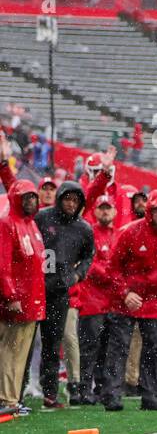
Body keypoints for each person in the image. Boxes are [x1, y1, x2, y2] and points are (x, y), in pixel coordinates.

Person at [101, 190, 157, 412]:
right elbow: (112, 268)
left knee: (155, 349)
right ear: (149, 210)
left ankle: (151, 395)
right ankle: (112, 394)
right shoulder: (130, 232)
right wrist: (125, 293)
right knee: (119, 348)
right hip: (126, 301)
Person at [33, 180, 95, 408]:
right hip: (35, 288)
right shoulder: (42, 218)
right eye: (67, 199)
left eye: (75, 200)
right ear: (59, 199)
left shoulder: (84, 228)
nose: (71, 203)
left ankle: (50, 393)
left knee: (52, 344)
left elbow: (89, 255)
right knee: (26, 343)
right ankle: (16, 393)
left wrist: (78, 274)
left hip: (59, 293)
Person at [0, 179, 45, 417]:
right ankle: (6, 398)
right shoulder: (7, 224)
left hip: (32, 301)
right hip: (18, 302)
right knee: (10, 351)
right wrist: (11, 295)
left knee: (19, 355)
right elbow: (3, 264)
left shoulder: (31, 225)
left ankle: (12, 399)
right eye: (26, 197)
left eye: (33, 197)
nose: (30, 201)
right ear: (16, 199)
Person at [73, 195, 120, 407]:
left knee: (107, 349)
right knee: (89, 348)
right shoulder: (88, 233)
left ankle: (102, 388)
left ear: (115, 211)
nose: (104, 211)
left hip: (111, 301)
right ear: (95, 211)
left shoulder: (119, 235)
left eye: (108, 208)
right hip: (91, 301)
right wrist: (113, 276)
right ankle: (83, 389)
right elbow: (89, 265)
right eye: (101, 208)